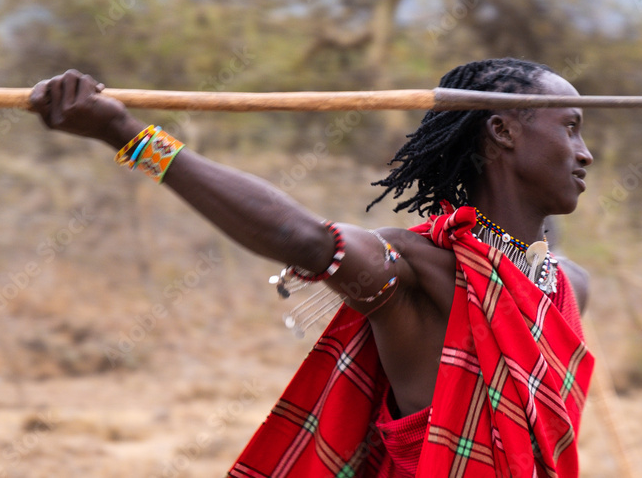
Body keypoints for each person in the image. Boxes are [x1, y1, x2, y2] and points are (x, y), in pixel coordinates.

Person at [30, 58, 596, 477]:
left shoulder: (567, 285)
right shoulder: (417, 271)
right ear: (502, 131)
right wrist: (122, 132)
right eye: (570, 126)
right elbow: (301, 237)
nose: (585, 151)